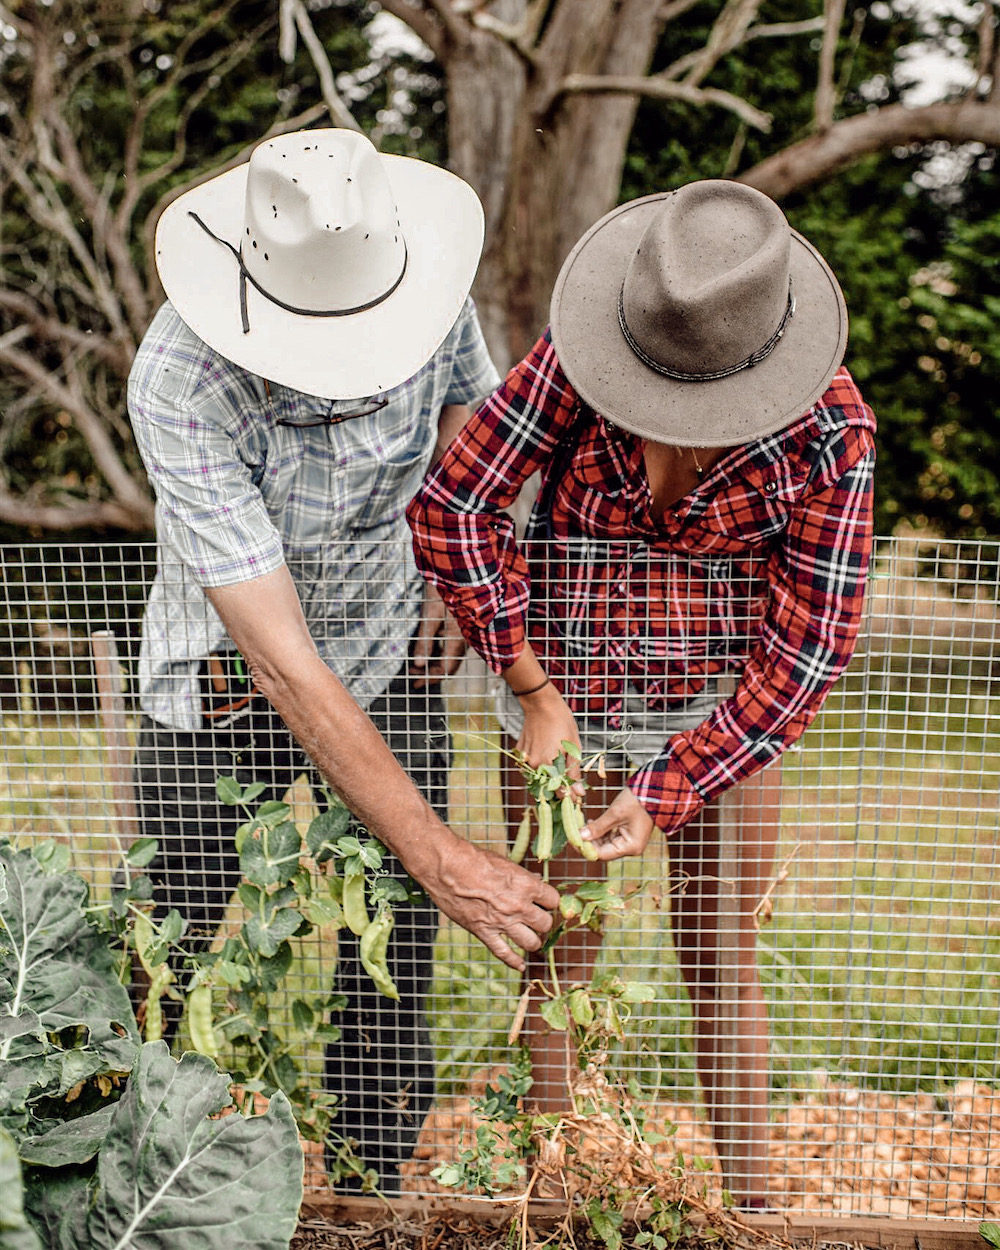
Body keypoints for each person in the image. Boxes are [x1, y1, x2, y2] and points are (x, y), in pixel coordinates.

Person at [407, 180, 876, 1209]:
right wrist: (534, 689)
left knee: (719, 956)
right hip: (560, 696)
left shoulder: (830, 436)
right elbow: (452, 508)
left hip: (721, 717)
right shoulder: (583, 352)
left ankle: (750, 1210)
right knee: (555, 948)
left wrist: (671, 783)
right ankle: (552, 1195)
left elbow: (802, 656)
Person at [126, 126, 559, 1193]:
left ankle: (369, 1186)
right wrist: (442, 850)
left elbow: (474, 416)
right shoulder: (179, 381)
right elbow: (279, 665)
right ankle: (149, 1175)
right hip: (221, 687)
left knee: (391, 955)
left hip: (388, 651)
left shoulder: (424, 287)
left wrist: (463, 568)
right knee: (170, 947)